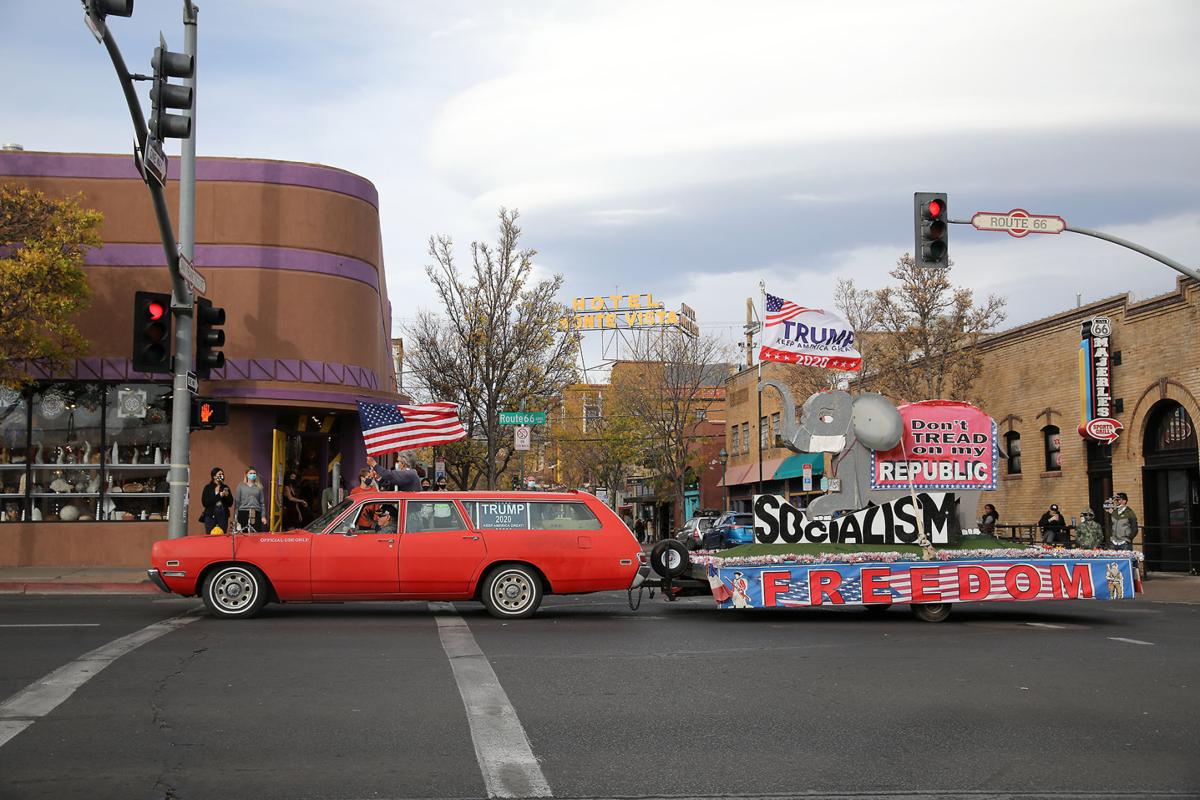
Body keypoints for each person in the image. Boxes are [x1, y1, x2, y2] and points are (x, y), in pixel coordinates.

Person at [201, 466, 233, 535]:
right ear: (214, 476)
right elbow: (205, 502)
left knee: (222, 535)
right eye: (219, 474)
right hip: (210, 516)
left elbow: (230, 503)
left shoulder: (225, 487)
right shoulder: (208, 487)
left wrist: (226, 496)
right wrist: (219, 496)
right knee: (210, 536)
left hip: (223, 516)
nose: (222, 476)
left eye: (222, 474)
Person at [234, 467, 265, 533]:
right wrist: (236, 517)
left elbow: (262, 503)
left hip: (255, 512)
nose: (253, 475)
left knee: (256, 534)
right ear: (246, 475)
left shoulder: (259, 487)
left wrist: (263, 516)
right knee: (243, 534)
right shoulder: (241, 486)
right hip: (243, 512)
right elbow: (237, 503)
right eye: (251, 473)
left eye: (254, 473)